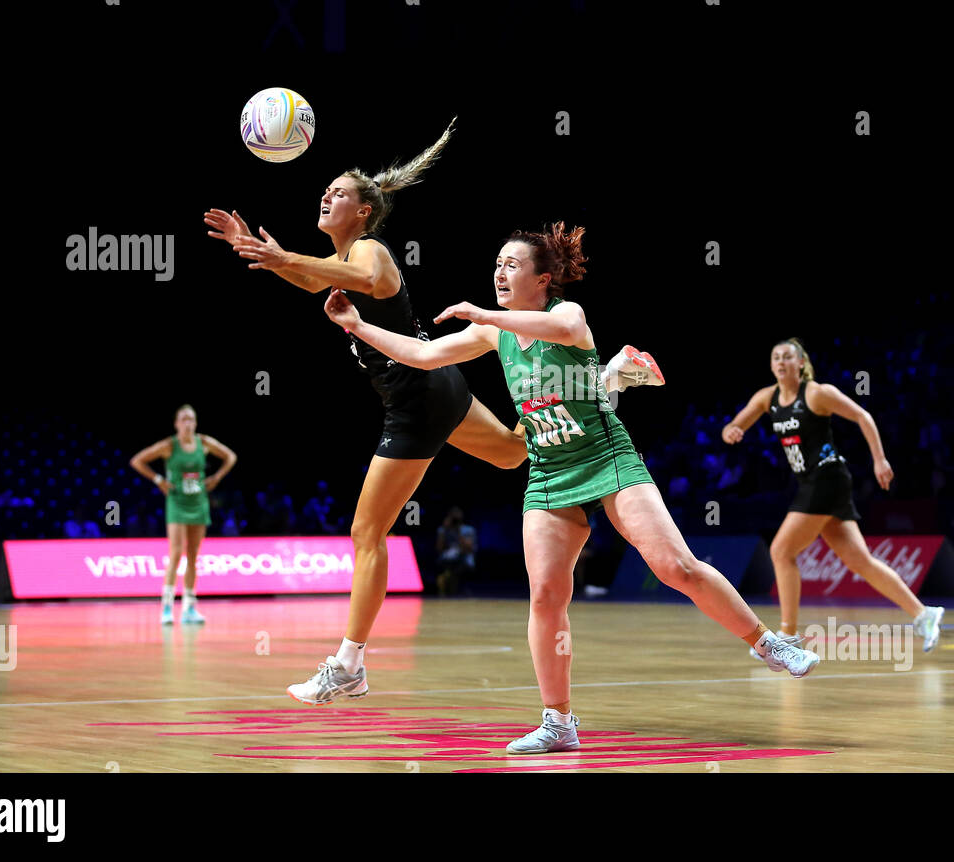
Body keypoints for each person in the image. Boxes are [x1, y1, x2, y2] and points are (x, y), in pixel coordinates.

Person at [204, 121, 662, 703]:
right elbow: (310, 277)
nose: (327, 196)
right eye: (327, 190)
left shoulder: (369, 252)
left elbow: (363, 276)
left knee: (366, 531)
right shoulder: (340, 257)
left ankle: (349, 663)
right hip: (438, 388)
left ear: (365, 211)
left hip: (416, 399)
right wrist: (263, 256)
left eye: (340, 192)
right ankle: (603, 380)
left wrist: (281, 255)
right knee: (514, 451)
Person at [324, 221, 821, 753]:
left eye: (512, 265)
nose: (499, 272)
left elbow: (560, 331)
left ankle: (770, 644)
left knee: (675, 567)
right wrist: (357, 326)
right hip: (547, 471)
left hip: (605, 457)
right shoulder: (493, 332)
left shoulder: (566, 315)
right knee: (545, 596)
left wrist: (483, 313)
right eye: (497, 264)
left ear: (544, 279)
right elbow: (422, 356)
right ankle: (558, 722)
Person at [721, 340, 944, 654]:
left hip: (827, 478)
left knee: (782, 551)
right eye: (776, 357)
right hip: (812, 482)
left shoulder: (816, 393)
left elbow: (863, 417)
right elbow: (735, 423)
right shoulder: (766, 398)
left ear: (801, 363)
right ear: (772, 365)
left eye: (787, 357)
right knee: (859, 561)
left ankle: (788, 635)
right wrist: (731, 430)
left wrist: (880, 460)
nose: (781, 361)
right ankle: (924, 614)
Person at [129, 404, 238, 624]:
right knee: (176, 553)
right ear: (177, 423)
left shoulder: (204, 443)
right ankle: (167, 607)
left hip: (198, 502)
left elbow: (231, 457)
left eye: (192, 419)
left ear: (195, 423)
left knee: (194, 555)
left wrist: (216, 478)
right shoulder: (169, 446)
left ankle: (189, 607)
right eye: (184, 419)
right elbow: (137, 461)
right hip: (177, 502)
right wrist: (159, 480)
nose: (188, 423)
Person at [435, 506, 477, 595]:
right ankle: (447, 581)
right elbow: (439, 548)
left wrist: (458, 532)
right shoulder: (443, 530)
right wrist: (444, 530)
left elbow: (469, 549)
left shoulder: (468, 529)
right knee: (443, 564)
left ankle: (449, 581)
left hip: (463, 557)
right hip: (448, 558)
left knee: (460, 566)